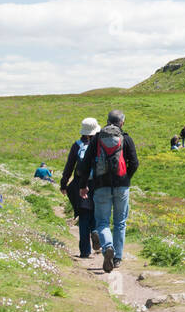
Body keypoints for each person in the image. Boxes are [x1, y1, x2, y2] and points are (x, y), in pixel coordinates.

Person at [77, 109, 139, 273]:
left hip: (101, 186)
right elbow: (134, 163)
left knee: (103, 222)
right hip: (122, 186)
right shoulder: (126, 139)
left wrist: (83, 185)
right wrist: (126, 178)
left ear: (107, 121)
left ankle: (107, 247)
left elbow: (85, 165)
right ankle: (117, 258)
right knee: (120, 223)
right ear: (122, 122)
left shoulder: (97, 138)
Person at [60, 118, 100, 258]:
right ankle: (95, 232)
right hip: (97, 183)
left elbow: (69, 166)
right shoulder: (100, 145)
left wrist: (64, 184)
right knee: (96, 212)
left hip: (79, 183)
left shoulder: (77, 145)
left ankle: (85, 251)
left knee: (83, 216)